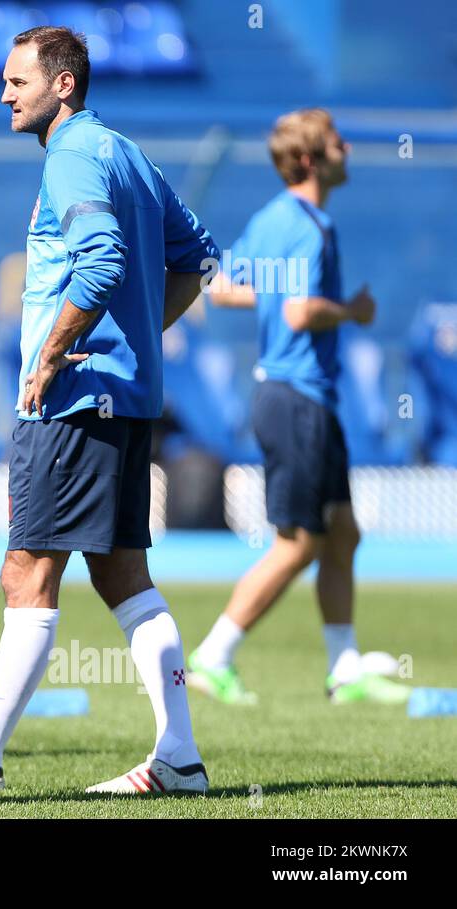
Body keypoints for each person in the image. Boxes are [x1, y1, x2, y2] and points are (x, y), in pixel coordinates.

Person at [0, 26, 219, 797]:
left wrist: (55, 351)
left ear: (62, 85)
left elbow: (102, 260)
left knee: (26, 568)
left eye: (17, 81)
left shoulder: (73, 156)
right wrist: (135, 337)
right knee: (124, 575)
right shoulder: (126, 152)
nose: (3, 93)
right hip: (122, 397)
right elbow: (196, 259)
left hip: (76, 398)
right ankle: (180, 756)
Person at [190, 108, 409, 706]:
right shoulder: (310, 229)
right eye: (338, 143)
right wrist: (352, 311)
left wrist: (284, 291)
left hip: (303, 398)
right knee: (299, 543)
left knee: (342, 533)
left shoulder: (273, 219)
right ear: (312, 158)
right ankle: (214, 656)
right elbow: (299, 311)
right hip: (297, 399)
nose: (348, 151)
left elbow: (224, 286)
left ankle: (345, 670)